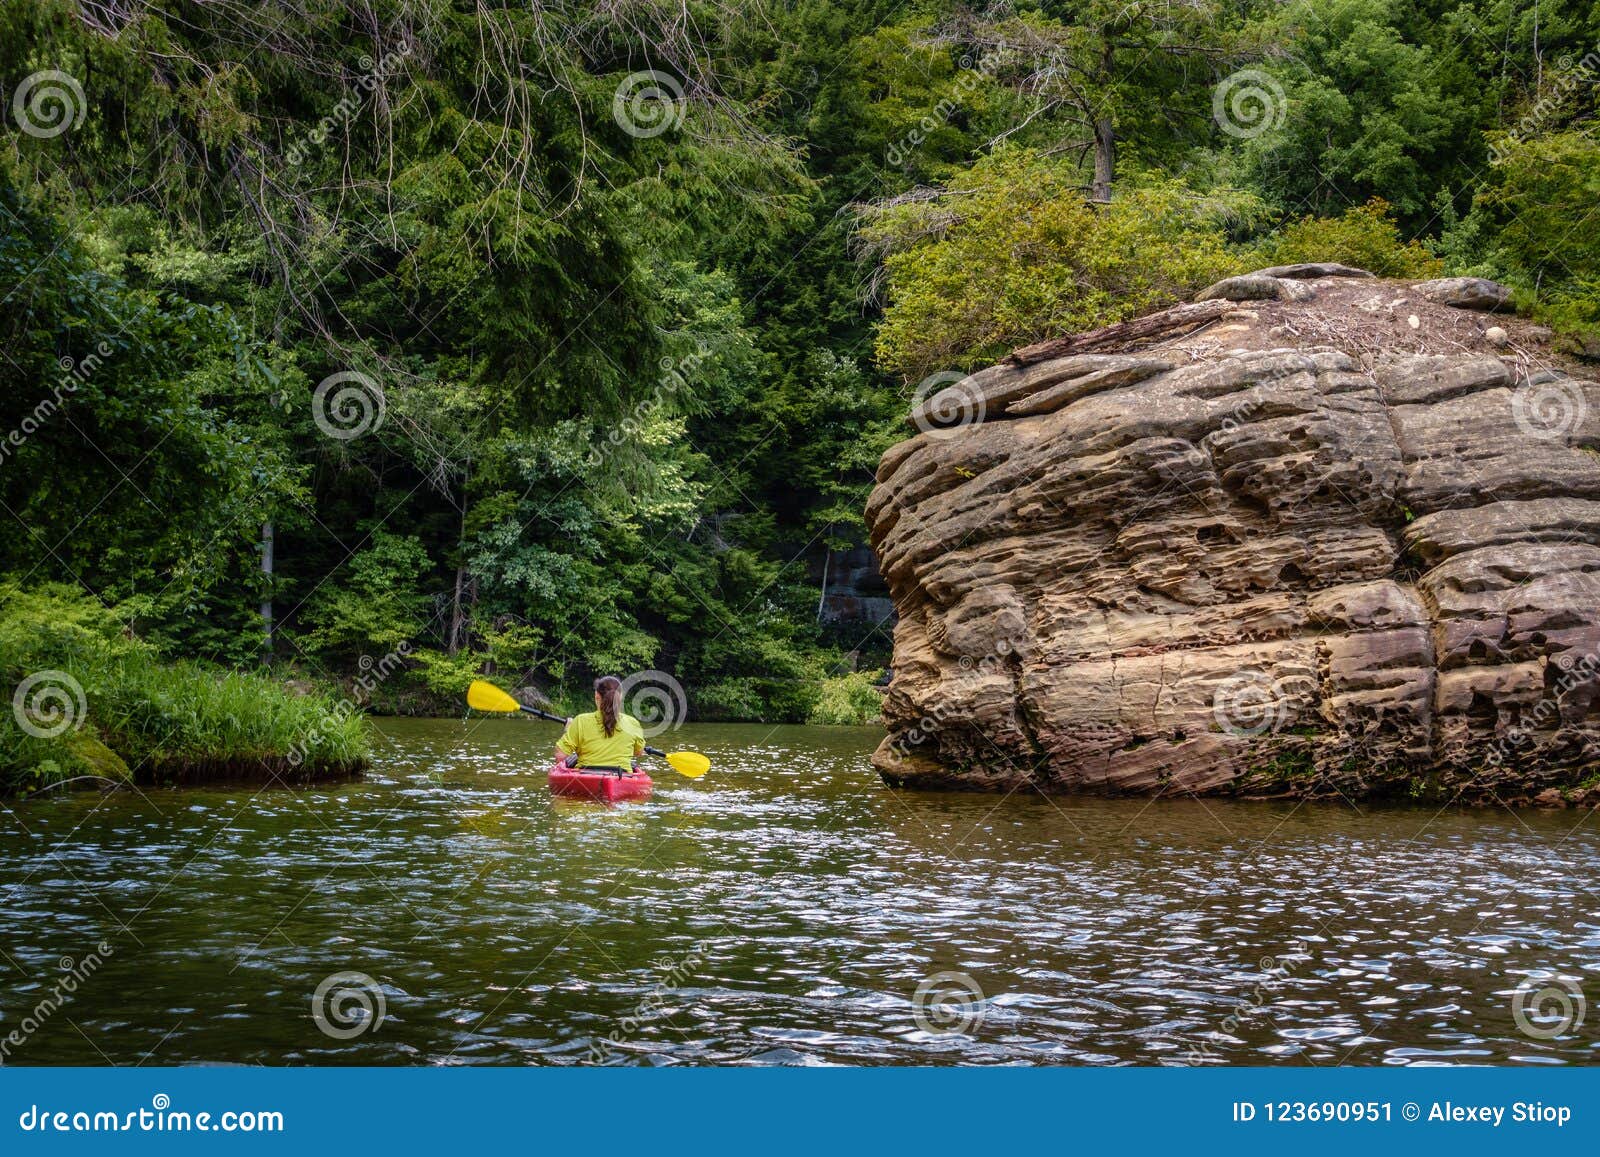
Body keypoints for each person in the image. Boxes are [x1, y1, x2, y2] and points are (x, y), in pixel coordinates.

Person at [554, 675, 645, 775]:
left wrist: (568, 730)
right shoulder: (632, 723)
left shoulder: (580, 720)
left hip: (586, 777)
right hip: (622, 776)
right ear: (621, 697)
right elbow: (638, 752)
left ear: (596, 695)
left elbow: (560, 756)